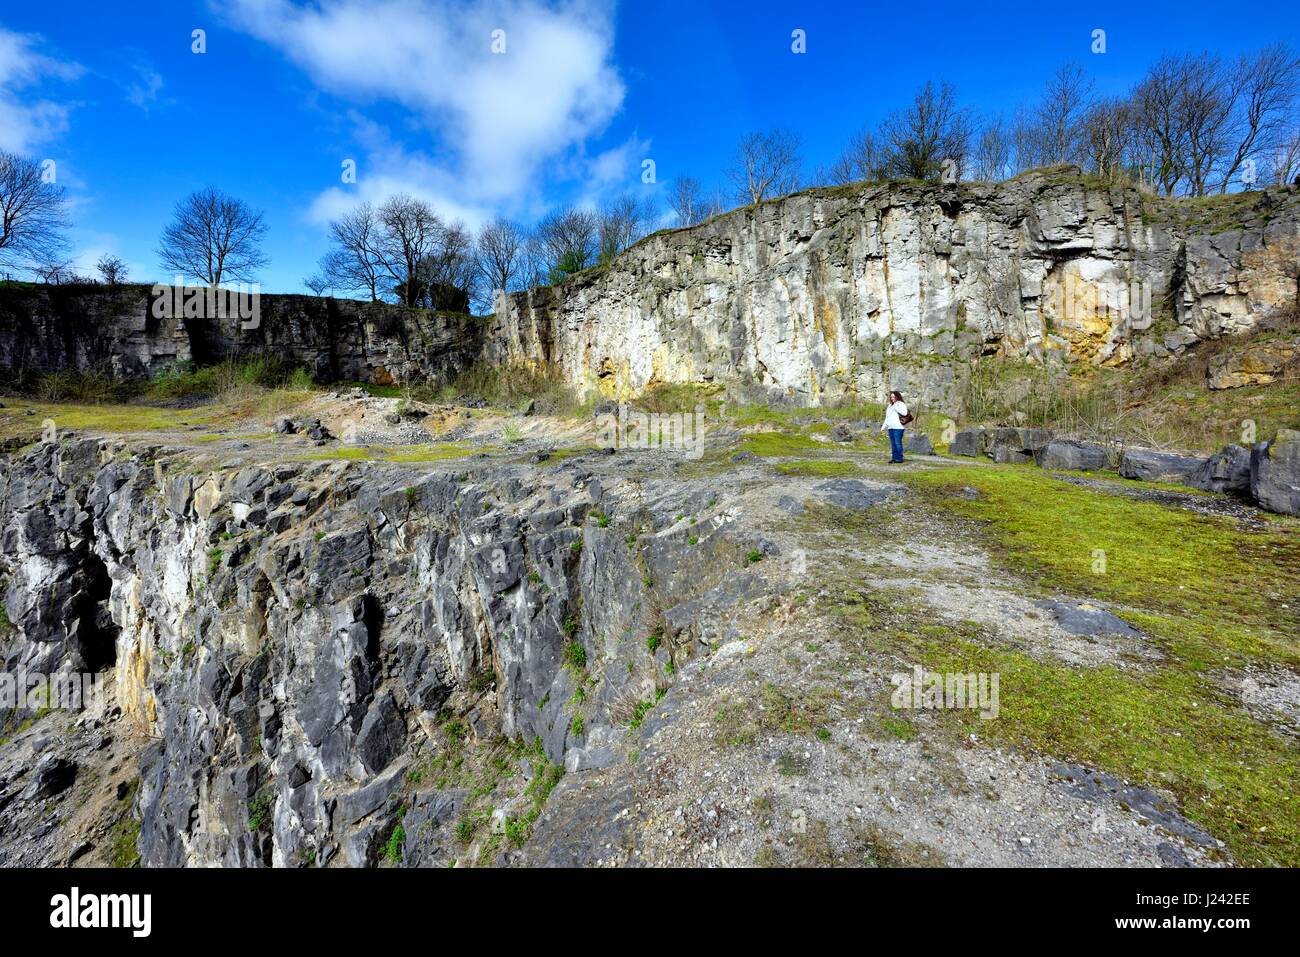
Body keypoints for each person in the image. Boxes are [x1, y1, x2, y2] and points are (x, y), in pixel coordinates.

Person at [880, 390, 909, 463]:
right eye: (891, 397)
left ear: (897, 396)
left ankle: (899, 458)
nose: (892, 398)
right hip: (890, 427)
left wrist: (896, 407)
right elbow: (887, 417)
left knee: (897, 443)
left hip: (898, 427)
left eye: (894, 396)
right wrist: (884, 426)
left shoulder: (900, 404)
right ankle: (894, 458)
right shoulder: (890, 405)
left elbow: (905, 413)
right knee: (893, 444)